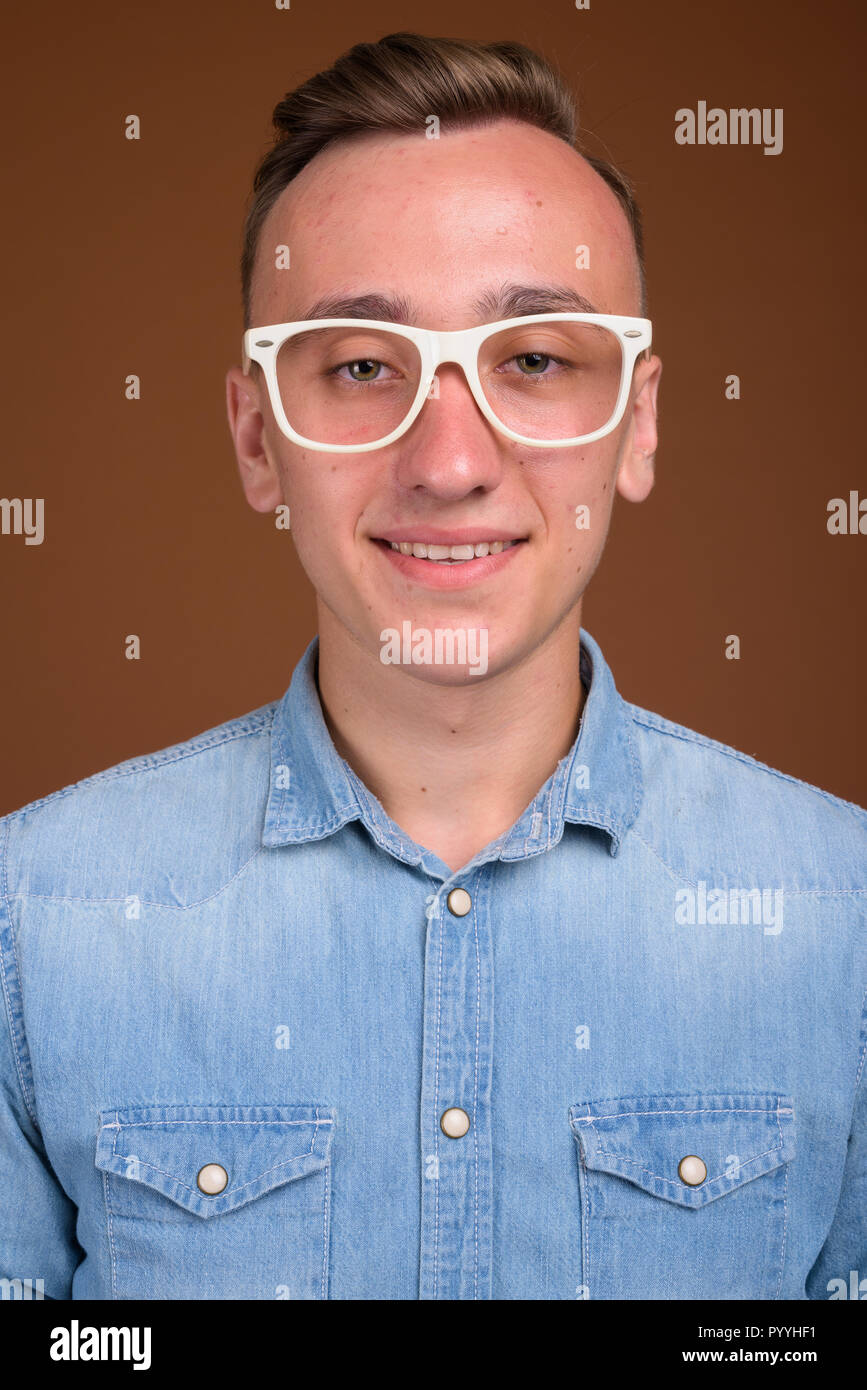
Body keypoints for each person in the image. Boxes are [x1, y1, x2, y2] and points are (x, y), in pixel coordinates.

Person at [0, 31, 863, 1302]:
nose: (449, 460)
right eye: (360, 366)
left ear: (639, 422)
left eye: (532, 360)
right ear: (255, 440)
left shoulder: (843, 920)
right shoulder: (31, 923)